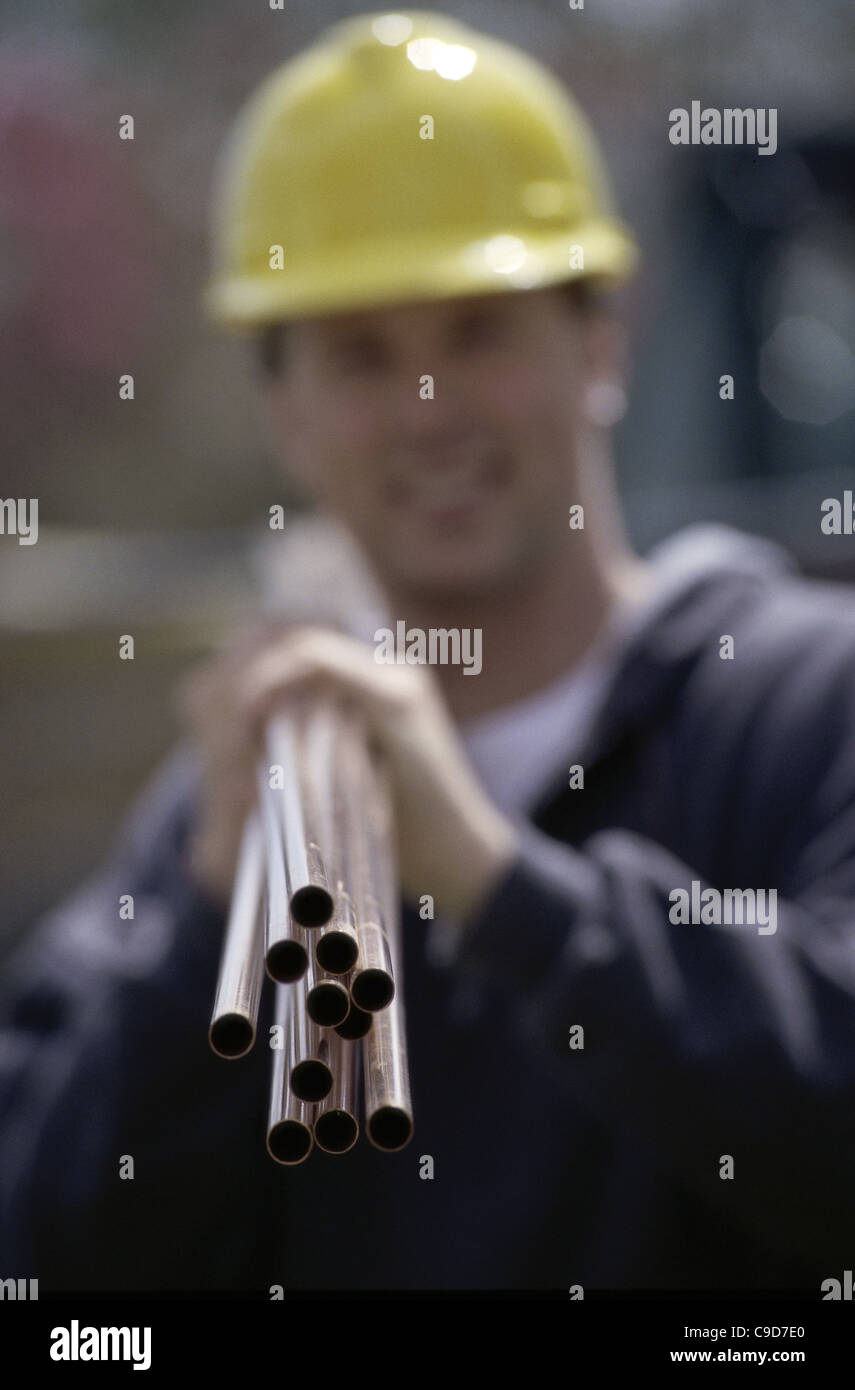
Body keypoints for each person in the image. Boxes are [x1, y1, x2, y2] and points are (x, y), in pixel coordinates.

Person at [2, 10, 855, 1296]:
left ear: (600, 342)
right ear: (284, 412)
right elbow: (51, 1270)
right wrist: (195, 929)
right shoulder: (236, 802)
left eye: (478, 333)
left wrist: (503, 889)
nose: (427, 409)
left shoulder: (803, 704)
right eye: (360, 356)